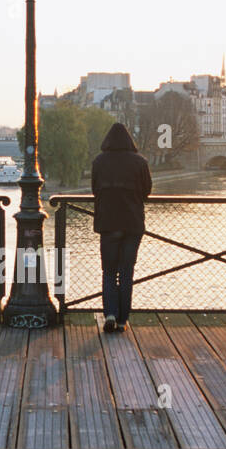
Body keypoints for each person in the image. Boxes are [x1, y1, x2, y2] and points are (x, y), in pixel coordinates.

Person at [90, 123, 152, 332]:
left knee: (108, 272)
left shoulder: (99, 161)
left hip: (108, 223)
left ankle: (109, 313)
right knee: (126, 272)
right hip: (132, 223)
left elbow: (95, 190)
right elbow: (146, 191)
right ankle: (123, 319)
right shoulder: (140, 162)